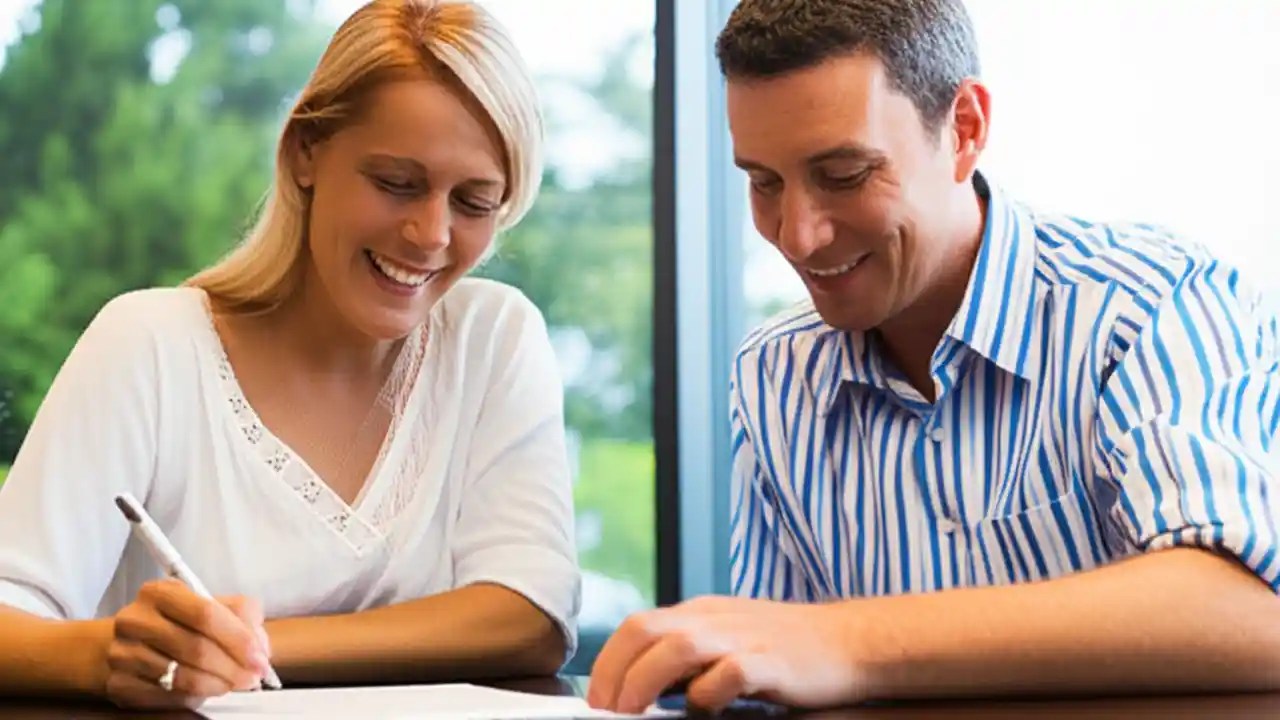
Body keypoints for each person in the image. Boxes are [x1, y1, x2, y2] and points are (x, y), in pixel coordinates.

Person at [588, 0, 1280, 713]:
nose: (797, 236)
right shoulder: (773, 376)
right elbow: (772, 667)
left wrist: (845, 642)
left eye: (846, 174)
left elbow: (1251, 606)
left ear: (966, 130)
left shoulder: (1149, 304)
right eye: (764, 182)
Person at [0, 0, 580, 711]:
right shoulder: (149, 345)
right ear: (306, 150)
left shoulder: (494, 338)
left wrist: (252, 647)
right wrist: (115, 655)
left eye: (475, 202)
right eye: (396, 183)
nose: (431, 234)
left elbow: (529, 614)